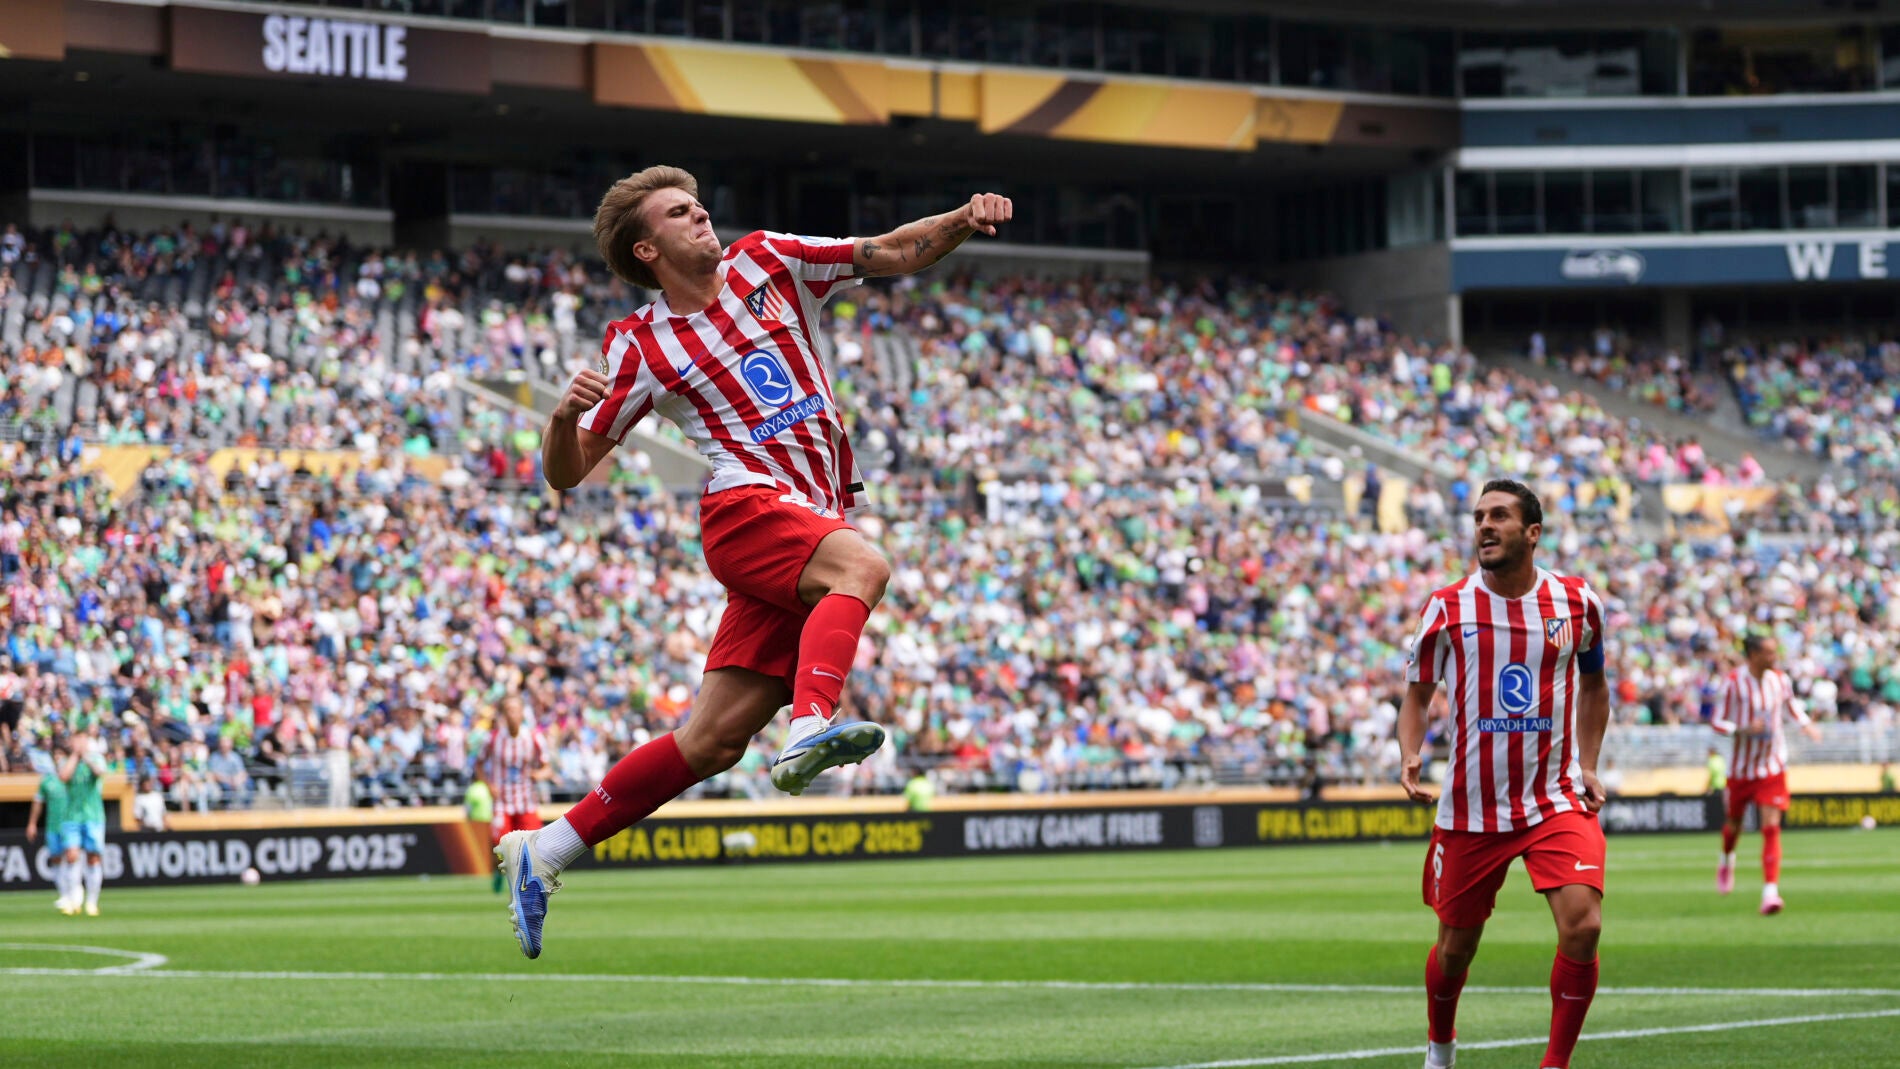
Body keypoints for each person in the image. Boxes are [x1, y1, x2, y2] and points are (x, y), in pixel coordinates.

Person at [494, 165, 1012, 960]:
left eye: (698, 203)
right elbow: (567, 472)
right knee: (862, 569)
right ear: (648, 247)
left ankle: (548, 848)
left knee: (711, 741)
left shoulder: (770, 260)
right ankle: (811, 725)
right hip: (746, 508)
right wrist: (562, 418)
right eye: (678, 211)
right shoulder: (639, 343)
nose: (700, 214)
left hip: (808, 516)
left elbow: (892, 251)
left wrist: (961, 217)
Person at [1397, 480, 1611, 1069]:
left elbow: (1595, 687)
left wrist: (1588, 763)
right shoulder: (1447, 606)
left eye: (1499, 516)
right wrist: (1409, 751)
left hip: (1555, 797)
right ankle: (1440, 1049)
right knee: (1456, 948)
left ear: (1532, 533)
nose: (1484, 526)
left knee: (1583, 925)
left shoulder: (1577, 601)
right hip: (1471, 807)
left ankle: (1555, 1064)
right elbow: (1416, 695)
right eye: (1478, 517)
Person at [1710, 633, 1822, 915]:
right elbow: (1717, 722)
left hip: (1772, 766)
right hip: (1741, 768)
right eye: (1770, 653)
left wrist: (1806, 725)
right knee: (1733, 824)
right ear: (1754, 655)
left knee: (1771, 827)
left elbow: (1791, 707)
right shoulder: (1734, 683)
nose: (1775, 657)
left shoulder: (1780, 680)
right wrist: (1742, 730)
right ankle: (1726, 858)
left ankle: (1770, 892)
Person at [480, 697, 551, 886]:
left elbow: (547, 768)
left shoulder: (534, 738)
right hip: (502, 801)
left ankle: (526, 884)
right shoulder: (493, 738)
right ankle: (498, 869)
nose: (512, 714)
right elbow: (478, 764)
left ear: (522, 713)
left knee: (533, 846)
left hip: (526, 800)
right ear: (503, 715)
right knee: (501, 847)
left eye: (515, 710)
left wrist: (539, 774)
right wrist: (488, 785)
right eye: (508, 710)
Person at [59, 732, 110, 917]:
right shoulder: (67, 760)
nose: (78, 743)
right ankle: (74, 898)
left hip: (93, 816)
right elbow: (63, 776)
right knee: (72, 855)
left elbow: (99, 772)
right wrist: (75, 756)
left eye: (81, 739)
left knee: (93, 857)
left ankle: (92, 901)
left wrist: (85, 758)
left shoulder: (96, 758)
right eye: (75, 739)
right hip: (72, 816)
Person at [25, 743, 77, 913]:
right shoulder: (46, 781)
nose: (57, 758)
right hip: (53, 825)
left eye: (61, 754)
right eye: (55, 755)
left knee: (72, 857)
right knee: (56, 859)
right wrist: (32, 823)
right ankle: (64, 895)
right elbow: (38, 802)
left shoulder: (72, 777)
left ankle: (75, 891)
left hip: (71, 824)